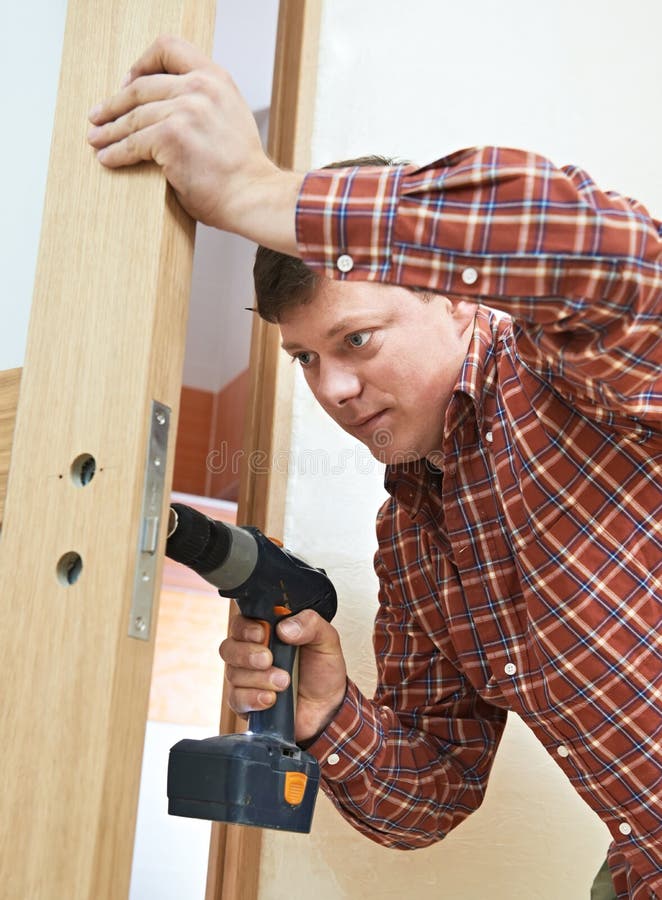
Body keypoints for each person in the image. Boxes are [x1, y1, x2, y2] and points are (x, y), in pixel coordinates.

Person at [88, 37, 661, 899]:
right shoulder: (414, 536)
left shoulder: (572, 374)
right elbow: (432, 796)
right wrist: (325, 711)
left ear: (458, 295)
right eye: (307, 360)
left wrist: (258, 193)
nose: (335, 388)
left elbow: (608, 248)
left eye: (356, 340)